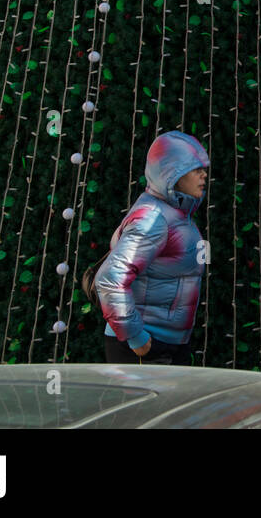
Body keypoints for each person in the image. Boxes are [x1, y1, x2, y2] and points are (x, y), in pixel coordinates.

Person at [97, 130, 209, 365]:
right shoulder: (153, 218)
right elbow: (110, 279)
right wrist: (137, 338)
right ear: (172, 173)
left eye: (203, 168)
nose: (204, 175)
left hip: (168, 343)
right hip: (146, 346)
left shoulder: (179, 214)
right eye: (195, 169)